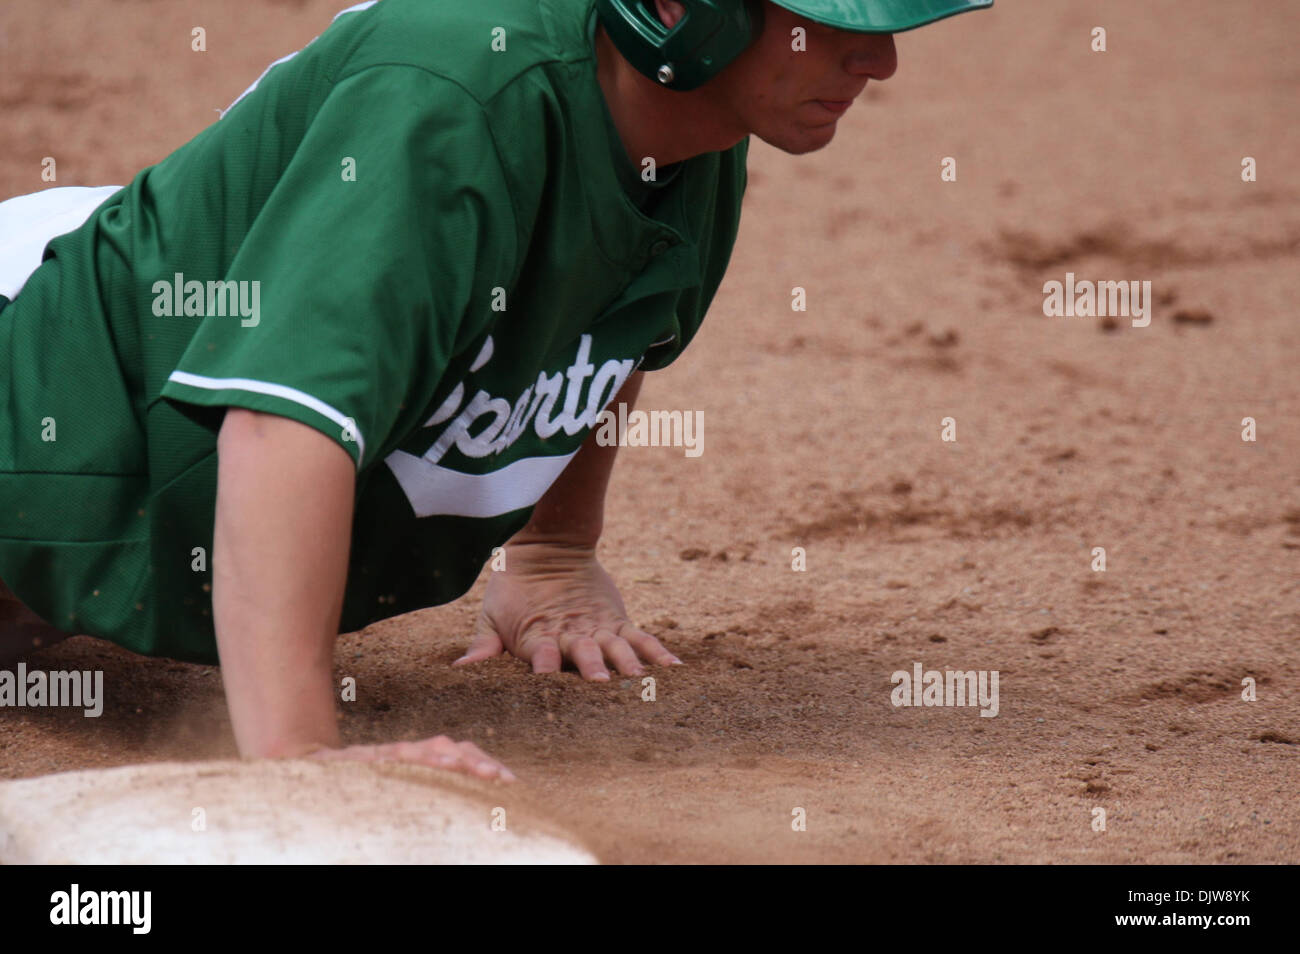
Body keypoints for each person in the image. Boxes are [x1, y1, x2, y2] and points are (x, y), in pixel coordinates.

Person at [0, 0, 991, 781]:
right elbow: (275, 421)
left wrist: (555, 555)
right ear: (681, 9)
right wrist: (297, 758)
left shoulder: (689, 134)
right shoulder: (451, 95)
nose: (880, 62)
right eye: (838, 23)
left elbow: (608, 326)